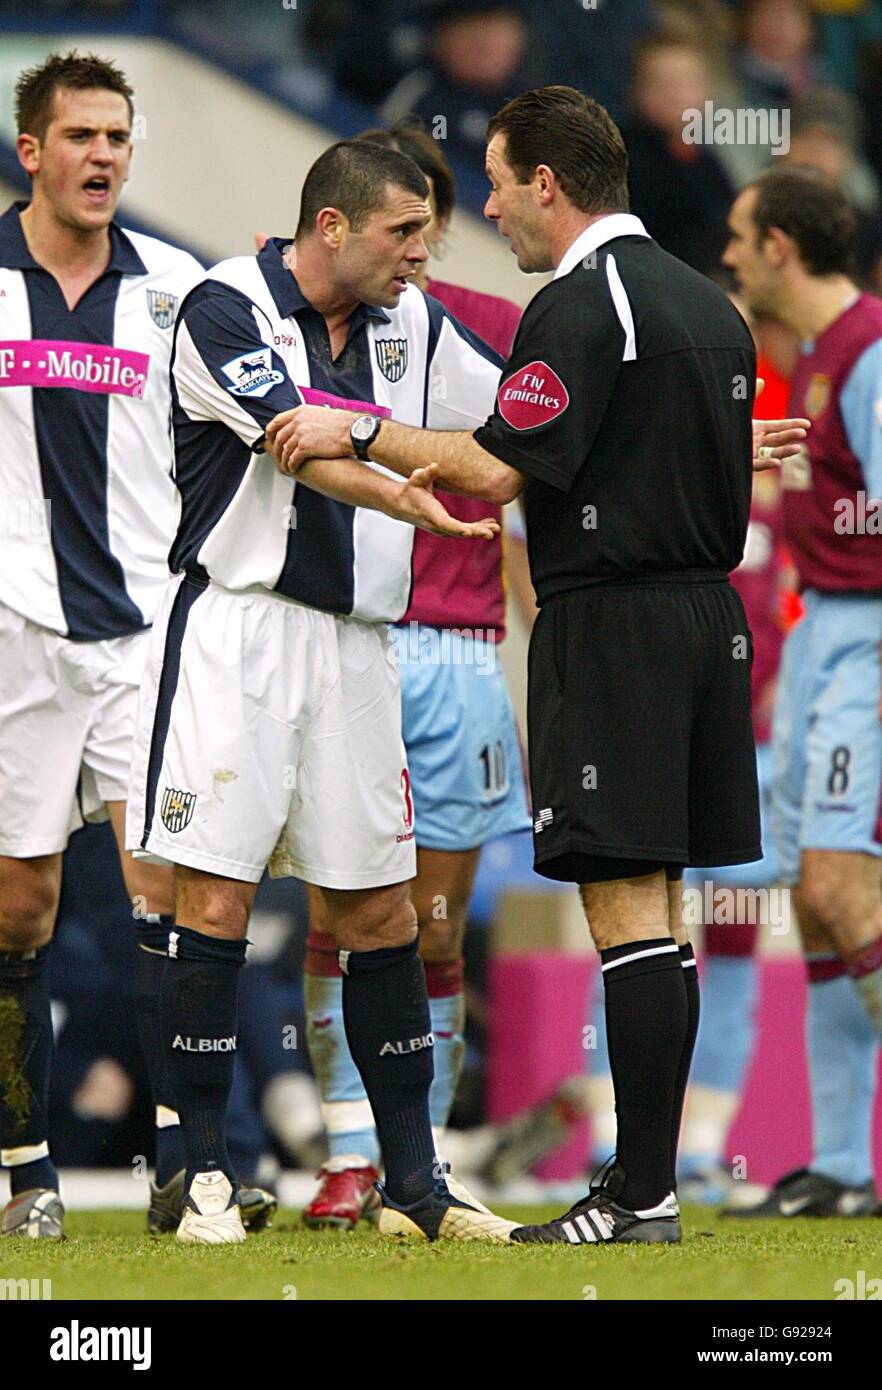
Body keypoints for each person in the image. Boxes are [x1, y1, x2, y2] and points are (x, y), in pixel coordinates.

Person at [265, 85, 810, 1245]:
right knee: (661, 904)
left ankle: (640, 1192)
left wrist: (354, 428)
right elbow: (670, 452)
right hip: (707, 624)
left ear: (548, 186)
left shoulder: (579, 302)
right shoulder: (706, 307)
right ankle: (648, 1184)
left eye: (504, 187)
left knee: (625, 904)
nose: (495, 211)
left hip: (613, 626)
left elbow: (500, 468)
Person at [125, 138, 520, 1244]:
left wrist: (697, 441)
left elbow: (500, 438)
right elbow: (297, 447)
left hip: (358, 646)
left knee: (380, 909)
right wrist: (409, 492)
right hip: (236, 633)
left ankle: (415, 1185)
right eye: (403, 231)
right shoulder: (220, 303)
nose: (423, 254)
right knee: (212, 899)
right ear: (333, 227)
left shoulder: (414, 323)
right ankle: (204, 1172)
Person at [298, 124, 531, 1229]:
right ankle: (352, 1154)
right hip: (346, 641)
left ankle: (418, 1155)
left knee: (436, 921)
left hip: (459, 655)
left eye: (431, 231)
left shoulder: (488, 331)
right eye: (409, 231)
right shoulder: (288, 310)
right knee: (342, 909)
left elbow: (543, 469)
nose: (422, 252)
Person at [0, 51, 214, 1241]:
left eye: (118, 138)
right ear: (30, 150)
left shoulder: (176, 290)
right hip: (14, 640)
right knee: (20, 911)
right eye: (79, 135)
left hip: (143, 639)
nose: (102, 157)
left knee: (167, 889)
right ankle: (27, 1166)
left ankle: (183, 1160)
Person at [721, 163, 882, 1218]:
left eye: (740, 236)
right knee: (818, 915)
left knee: (836, 889)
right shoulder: (823, 354)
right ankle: (841, 1162)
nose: (727, 254)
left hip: (868, 638)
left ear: (781, 245)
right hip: (827, 632)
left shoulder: (869, 353)